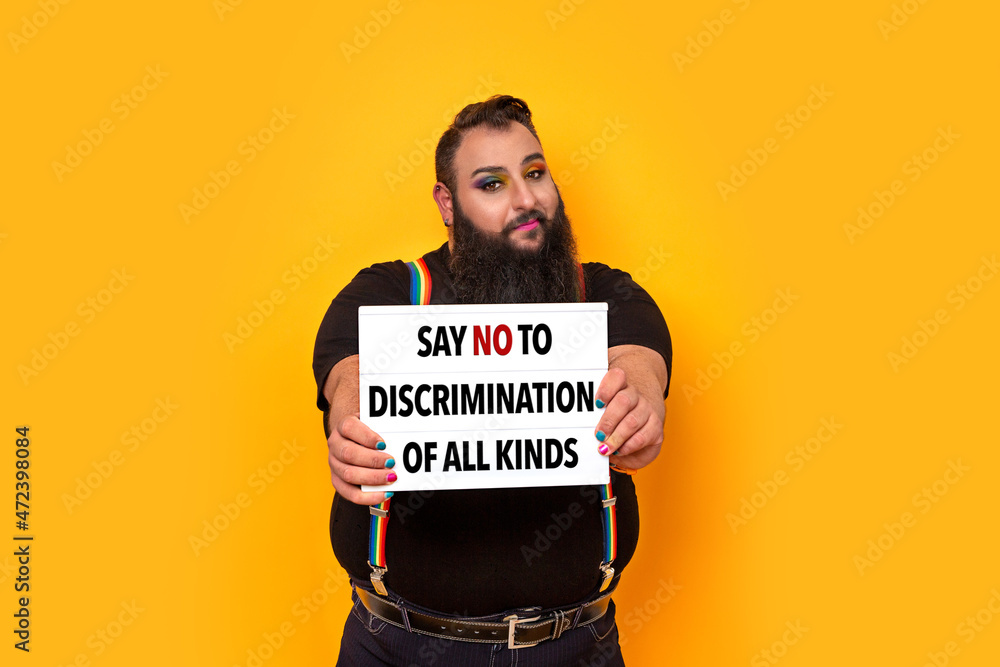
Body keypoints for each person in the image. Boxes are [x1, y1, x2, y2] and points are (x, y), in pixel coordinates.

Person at [312, 95, 671, 666]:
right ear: (447, 204)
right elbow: (350, 374)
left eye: (535, 173)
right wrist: (354, 427)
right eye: (492, 184)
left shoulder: (607, 294)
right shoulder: (385, 295)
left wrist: (640, 406)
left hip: (576, 648)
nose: (528, 200)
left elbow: (639, 363)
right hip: (397, 647)